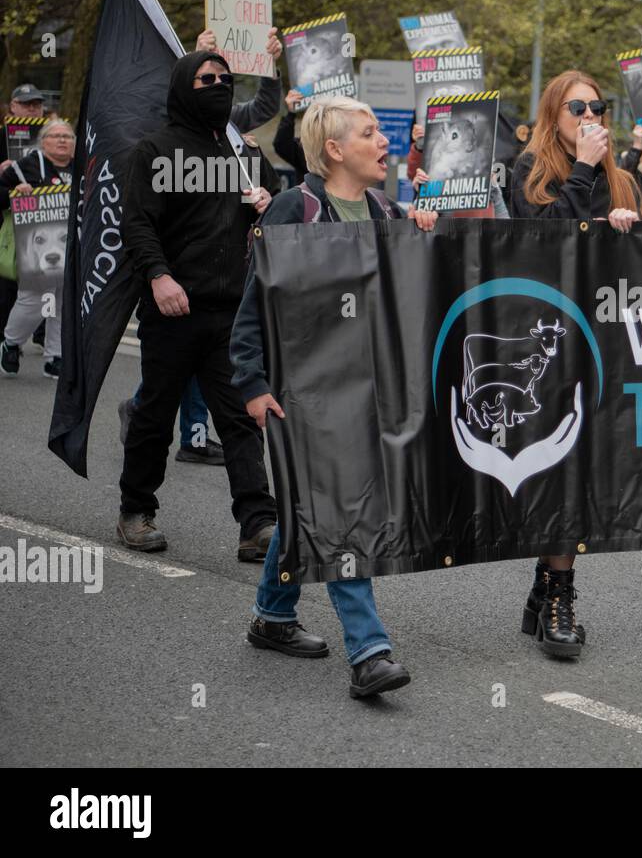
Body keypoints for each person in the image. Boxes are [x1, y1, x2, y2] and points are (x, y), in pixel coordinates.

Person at [230, 95, 438, 698]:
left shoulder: (384, 208)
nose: (384, 142)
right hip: (303, 391)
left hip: (368, 390)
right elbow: (256, 302)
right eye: (370, 132)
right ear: (335, 149)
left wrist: (422, 231)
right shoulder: (296, 208)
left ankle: (272, 616)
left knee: (310, 505)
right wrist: (252, 383)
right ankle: (370, 652)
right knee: (344, 509)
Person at [506, 69, 642, 659]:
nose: (590, 117)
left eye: (599, 106)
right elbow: (543, 243)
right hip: (549, 338)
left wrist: (625, 230)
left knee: (584, 474)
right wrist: (585, 174)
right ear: (552, 116)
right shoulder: (528, 171)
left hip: (603, 340)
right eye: (576, 108)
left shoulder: (623, 179)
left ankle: (546, 590)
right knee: (559, 472)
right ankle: (559, 598)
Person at [116, 49, 277, 561]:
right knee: (155, 414)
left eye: (226, 79)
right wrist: (160, 277)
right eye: (206, 78)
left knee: (240, 418)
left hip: (231, 312)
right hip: (172, 310)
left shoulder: (243, 154)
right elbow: (137, 223)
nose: (219, 85)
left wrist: (266, 205)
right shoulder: (155, 150)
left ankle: (257, 523)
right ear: (185, 86)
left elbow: (274, 212)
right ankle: (136, 509)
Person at [0, 118, 75, 378]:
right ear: (43, 142)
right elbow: (2, 189)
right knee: (35, 300)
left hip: (72, 246)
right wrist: (14, 193)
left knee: (61, 303)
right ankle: (11, 342)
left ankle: (54, 356)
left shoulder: (83, 168)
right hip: (37, 247)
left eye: (67, 136)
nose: (63, 140)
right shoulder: (26, 166)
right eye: (56, 136)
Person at [1, 84, 50, 333]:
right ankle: (7, 338)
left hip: (46, 221)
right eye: (26, 104)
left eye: (37, 104)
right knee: (9, 281)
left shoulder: (54, 138)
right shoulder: (2, 137)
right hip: (8, 222)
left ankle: (42, 334)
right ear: (13, 106)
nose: (32, 109)